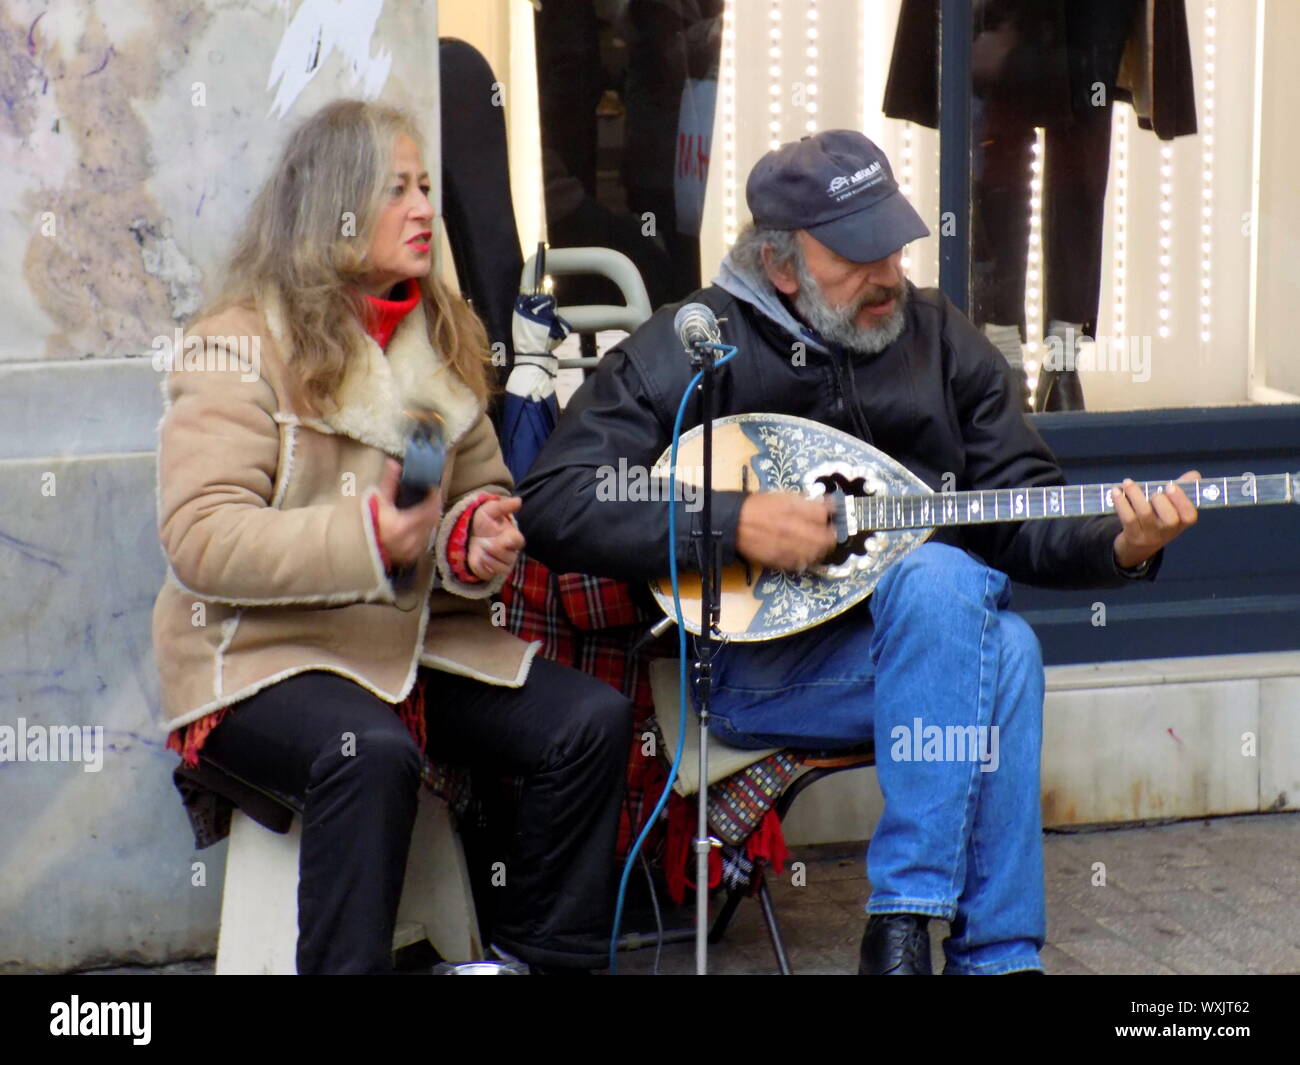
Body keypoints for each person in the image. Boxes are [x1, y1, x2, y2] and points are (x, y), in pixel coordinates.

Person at [516, 129, 1199, 974]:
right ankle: (975, 946)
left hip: (922, 645)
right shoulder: (696, 342)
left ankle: (943, 939)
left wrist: (1122, 547)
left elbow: (1015, 509)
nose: (888, 273)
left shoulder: (939, 338)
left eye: (894, 243)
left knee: (980, 617)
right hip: (754, 669)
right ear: (780, 263)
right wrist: (733, 522)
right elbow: (554, 499)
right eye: (857, 252)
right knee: (988, 628)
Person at [152, 99, 632, 975]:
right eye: (395, 190)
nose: (424, 208)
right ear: (331, 208)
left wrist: (470, 541)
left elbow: (481, 493)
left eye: (425, 187)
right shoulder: (235, 345)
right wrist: (367, 539)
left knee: (591, 721)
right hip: (262, 658)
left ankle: (536, 962)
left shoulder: (439, 340)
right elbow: (203, 537)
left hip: (411, 652)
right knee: (367, 752)